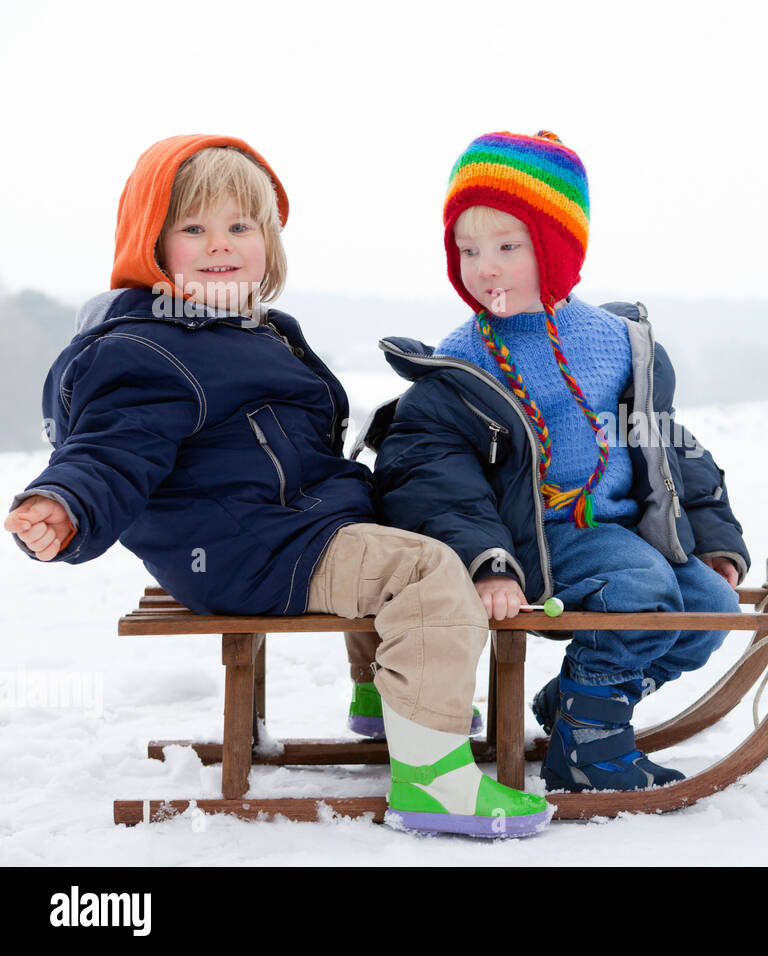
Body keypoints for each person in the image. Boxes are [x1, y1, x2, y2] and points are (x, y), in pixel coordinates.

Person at [3, 134, 549, 837]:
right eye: (193, 228)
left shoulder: (254, 328)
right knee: (423, 569)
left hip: (282, 527)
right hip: (239, 549)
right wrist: (66, 502)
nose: (220, 244)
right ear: (153, 246)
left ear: (269, 241)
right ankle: (435, 778)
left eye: (240, 226)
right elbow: (112, 448)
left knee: (403, 527)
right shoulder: (146, 351)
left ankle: (386, 697)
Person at [371, 130, 750, 792]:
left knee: (708, 606)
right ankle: (590, 750)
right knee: (641, 589)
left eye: (508, 247)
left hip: (622, 531)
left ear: (557, 250)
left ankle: (584, 703)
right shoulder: (462, 360)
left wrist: (713, 537)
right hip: (532, 538)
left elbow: (666, 444)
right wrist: (488, 561)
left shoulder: (616, 343)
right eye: (468, 250)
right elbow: (438, 481)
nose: (484, 267)